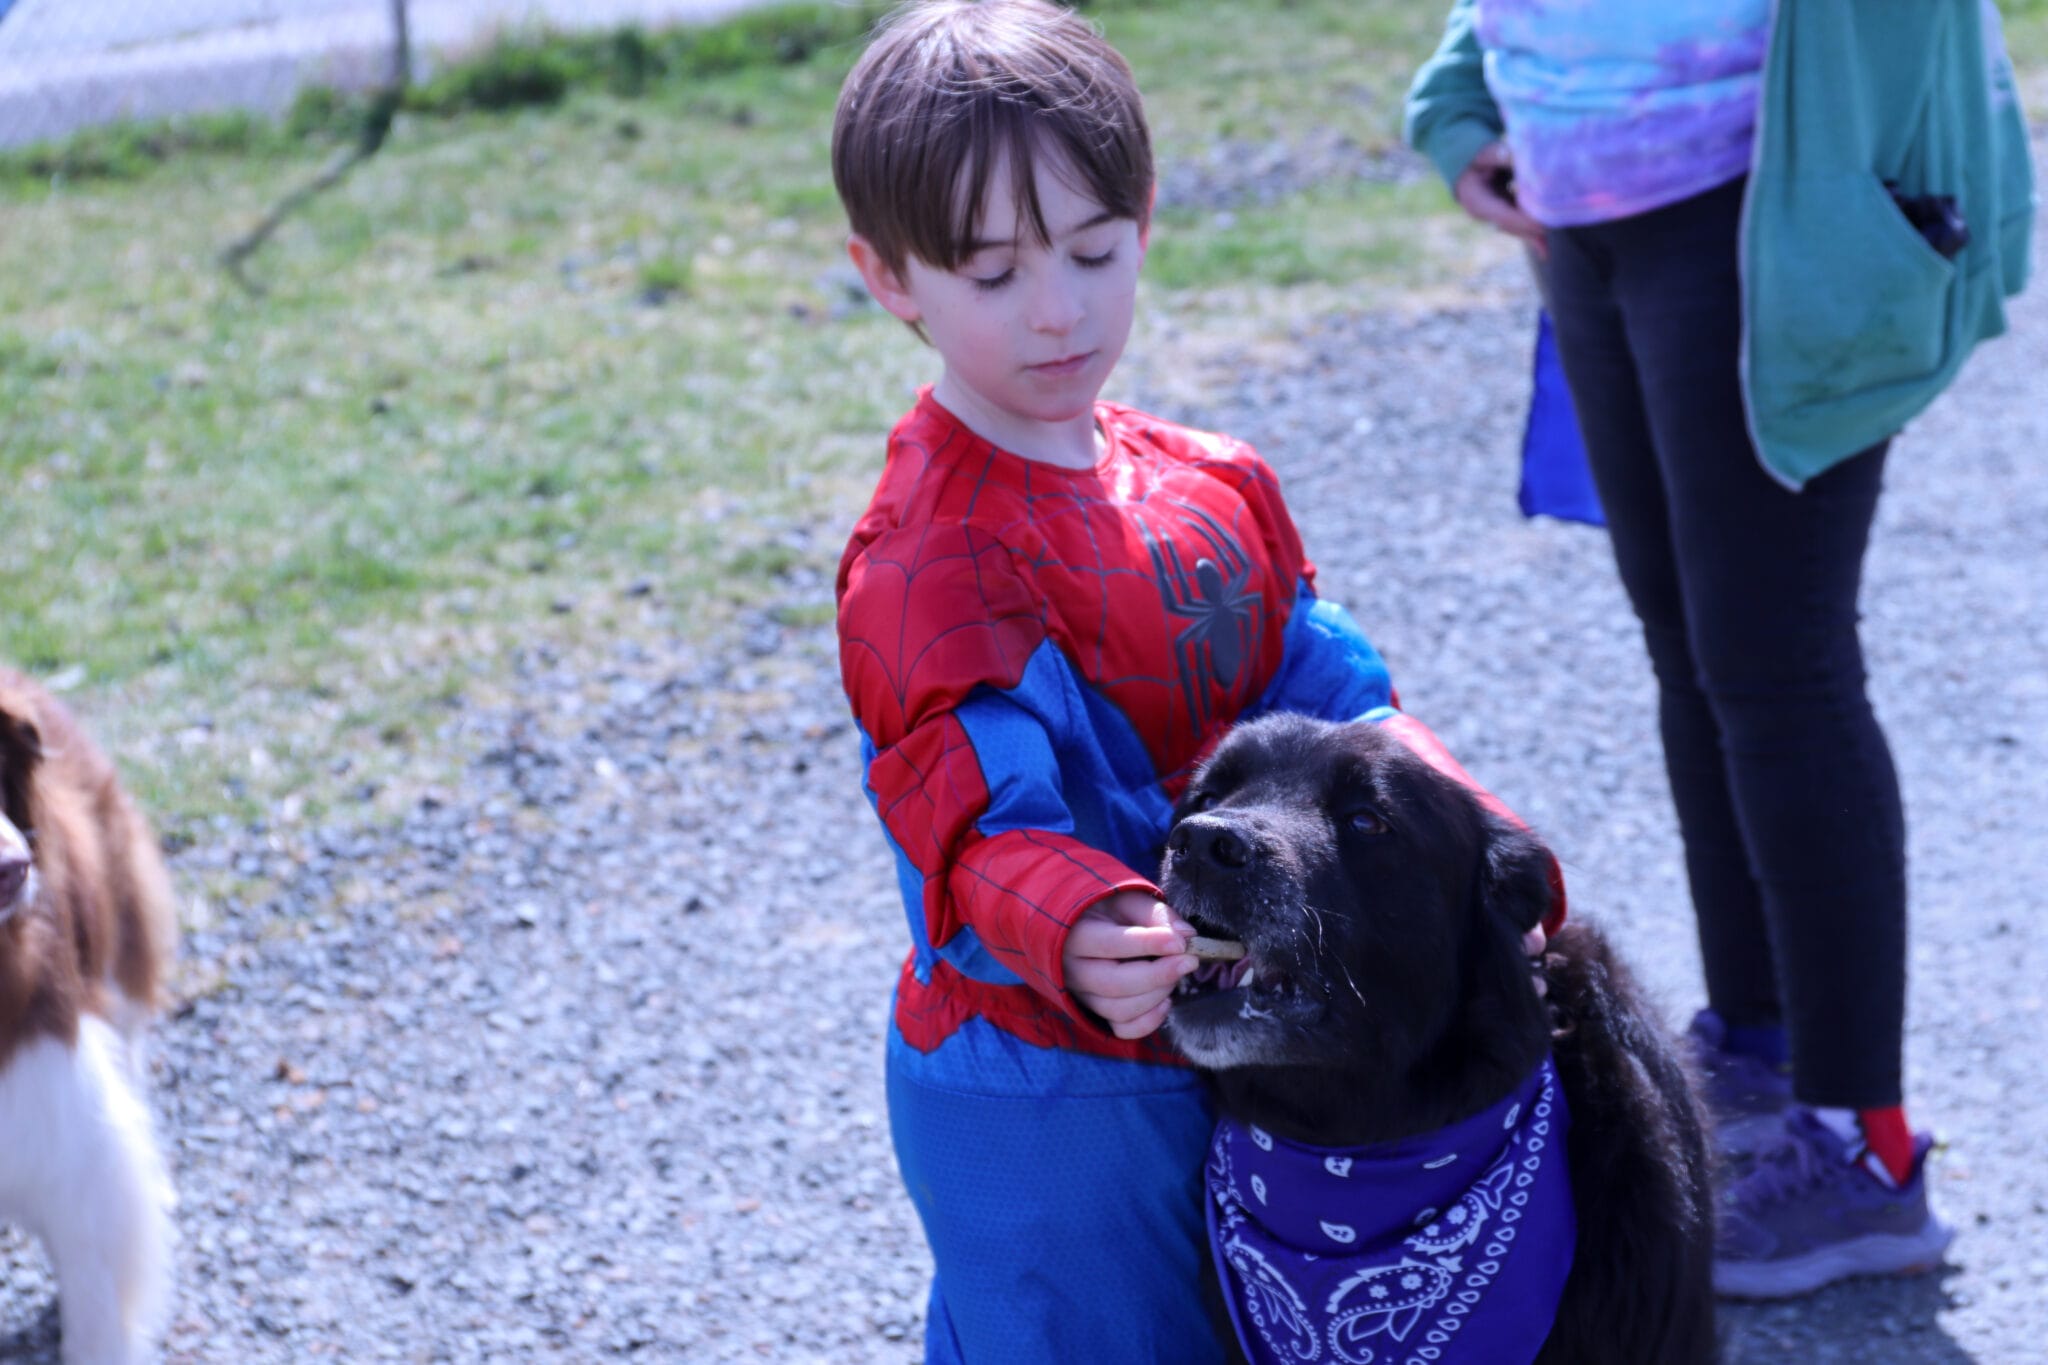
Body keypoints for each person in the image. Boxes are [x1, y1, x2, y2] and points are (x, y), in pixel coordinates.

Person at [830, 3, 1563, 1358]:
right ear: (890, 278)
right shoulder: (925, 563)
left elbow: (1329, 688)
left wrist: (1472, 833)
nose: (1058, 310)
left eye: (1094, 253)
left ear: (1146, 215)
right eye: (990, 275)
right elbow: (974, 808)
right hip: (1041, 1081)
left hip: (1208, 1027)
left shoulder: (1209, 485)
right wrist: (1076, 917)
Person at [1407, 0, 2034, 1301]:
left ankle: (1867, 1142)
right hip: (1581, 203)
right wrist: (1468, 87)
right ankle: (1757, 1052)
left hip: (1768, 204)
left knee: (1780, 668)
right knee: (1692, 654)